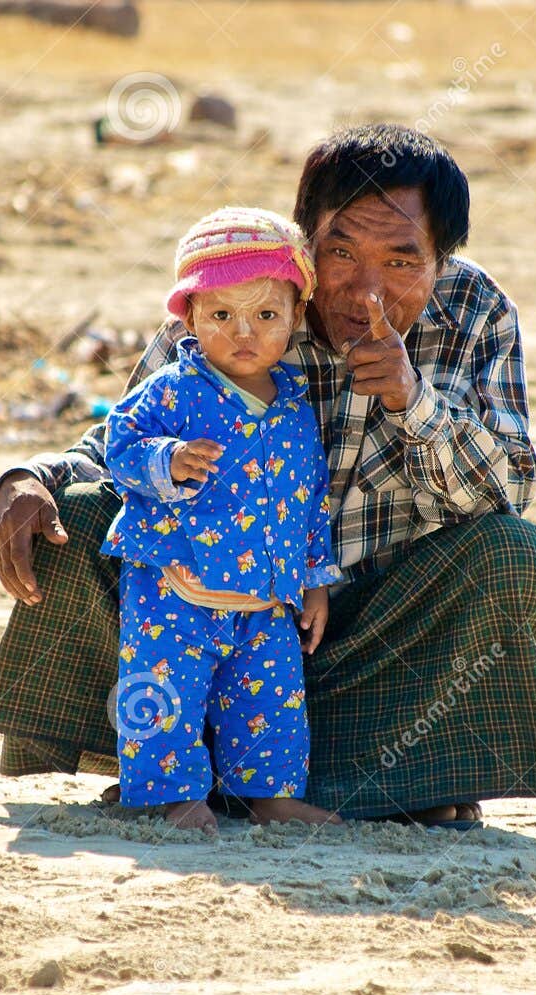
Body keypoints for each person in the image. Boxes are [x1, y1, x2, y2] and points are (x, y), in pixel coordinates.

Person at [0, 124, 536, 829]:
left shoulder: (477, 313)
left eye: (401, 260)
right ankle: (224, 767)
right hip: (200, 622)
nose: (366, 290)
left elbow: (508, 485)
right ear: (304, 244)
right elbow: (122, 444)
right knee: (74, 514)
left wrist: (414, 403)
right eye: (342, 252)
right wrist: (22, 480)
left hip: (381, 649)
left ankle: (346, 766)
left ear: (442, 260)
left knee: (515, 552)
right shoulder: (241, 290)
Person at [102, 207, 343, 833]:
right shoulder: (174, 390)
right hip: (173, 585)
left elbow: (310, 502)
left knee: (272, 701)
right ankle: (170, 795)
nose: (244, 333)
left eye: (266, 315)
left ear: (296, 318)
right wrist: (168, 460)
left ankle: (271, 795)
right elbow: (118, 444)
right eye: (221, 316)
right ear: (189, 317)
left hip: (266, 598)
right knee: (165, 693)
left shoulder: (295, 410)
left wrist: (314, 579)